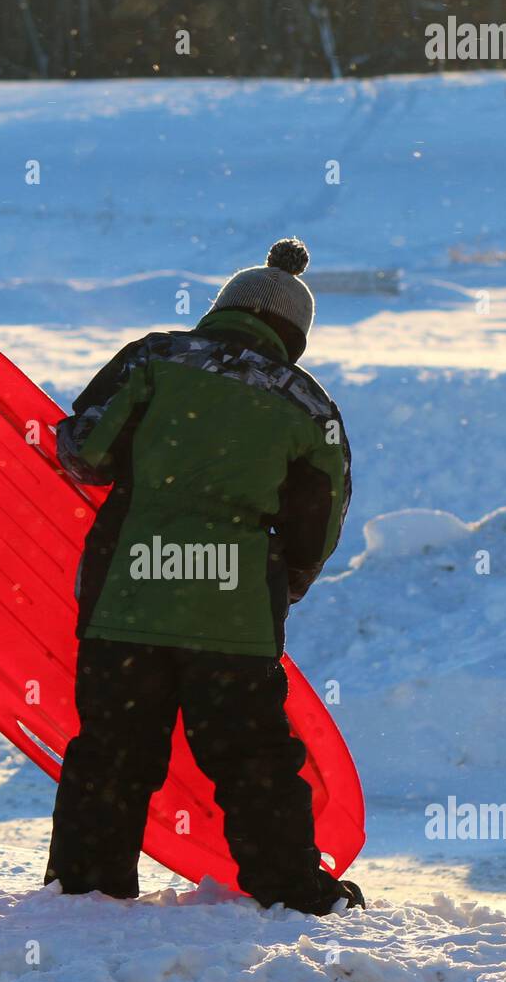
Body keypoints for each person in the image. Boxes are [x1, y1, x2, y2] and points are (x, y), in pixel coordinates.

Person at [44, 238, 364, 915]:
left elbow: (87, 451)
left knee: (112, 753)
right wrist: (282, 582)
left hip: (128, 595)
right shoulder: (308, 406)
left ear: (222, 310)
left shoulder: (156, 358)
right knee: (253, 760)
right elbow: (318, 524)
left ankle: (83, 895)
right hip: (233, 611)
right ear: (293, 336)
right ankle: (292, 892)